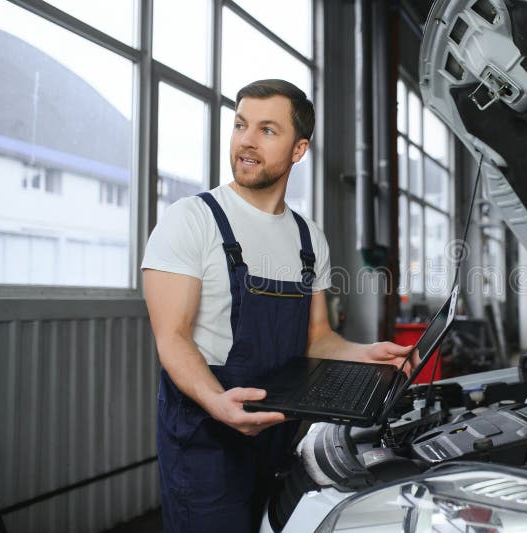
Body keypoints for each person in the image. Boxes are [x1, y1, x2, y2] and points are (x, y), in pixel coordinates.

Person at [142, 79, 413, 533]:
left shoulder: (309, 238)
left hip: (279, 433)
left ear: (298, 149)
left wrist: (363, 354)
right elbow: (172, 339)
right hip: (207, 436)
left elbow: (317, 338)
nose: (247, 140)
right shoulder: (192, 219)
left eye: (267, 130)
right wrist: (216, 401)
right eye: (241, 125)